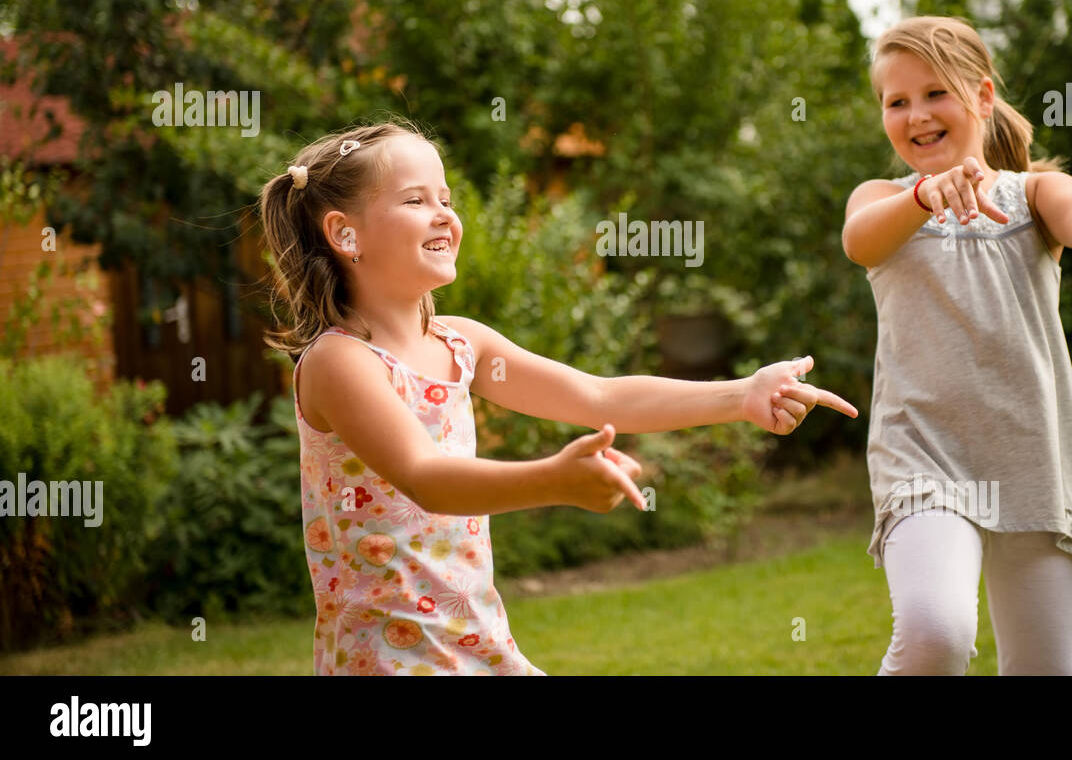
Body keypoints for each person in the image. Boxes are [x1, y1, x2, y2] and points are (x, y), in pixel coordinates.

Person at [258, 119, 858, 675]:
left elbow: (599, 396)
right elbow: (426, 476)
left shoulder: (461, 343)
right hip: (389, 658)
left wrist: (743, 394)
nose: (443, 215)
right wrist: (553, 480)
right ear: (345, 233)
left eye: (447, 199)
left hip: (473, 640)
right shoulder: (340, 362)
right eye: (416, 201)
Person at [841, 16, 1072, 675]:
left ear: (983, 98)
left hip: (1033, 459)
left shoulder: (1034, 194)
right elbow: (860, 239)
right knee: (936, 632)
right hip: (924, 459)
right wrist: (927, 195)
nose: (916, 115)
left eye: (935, 93)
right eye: (895, 102)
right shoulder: (883, 199)